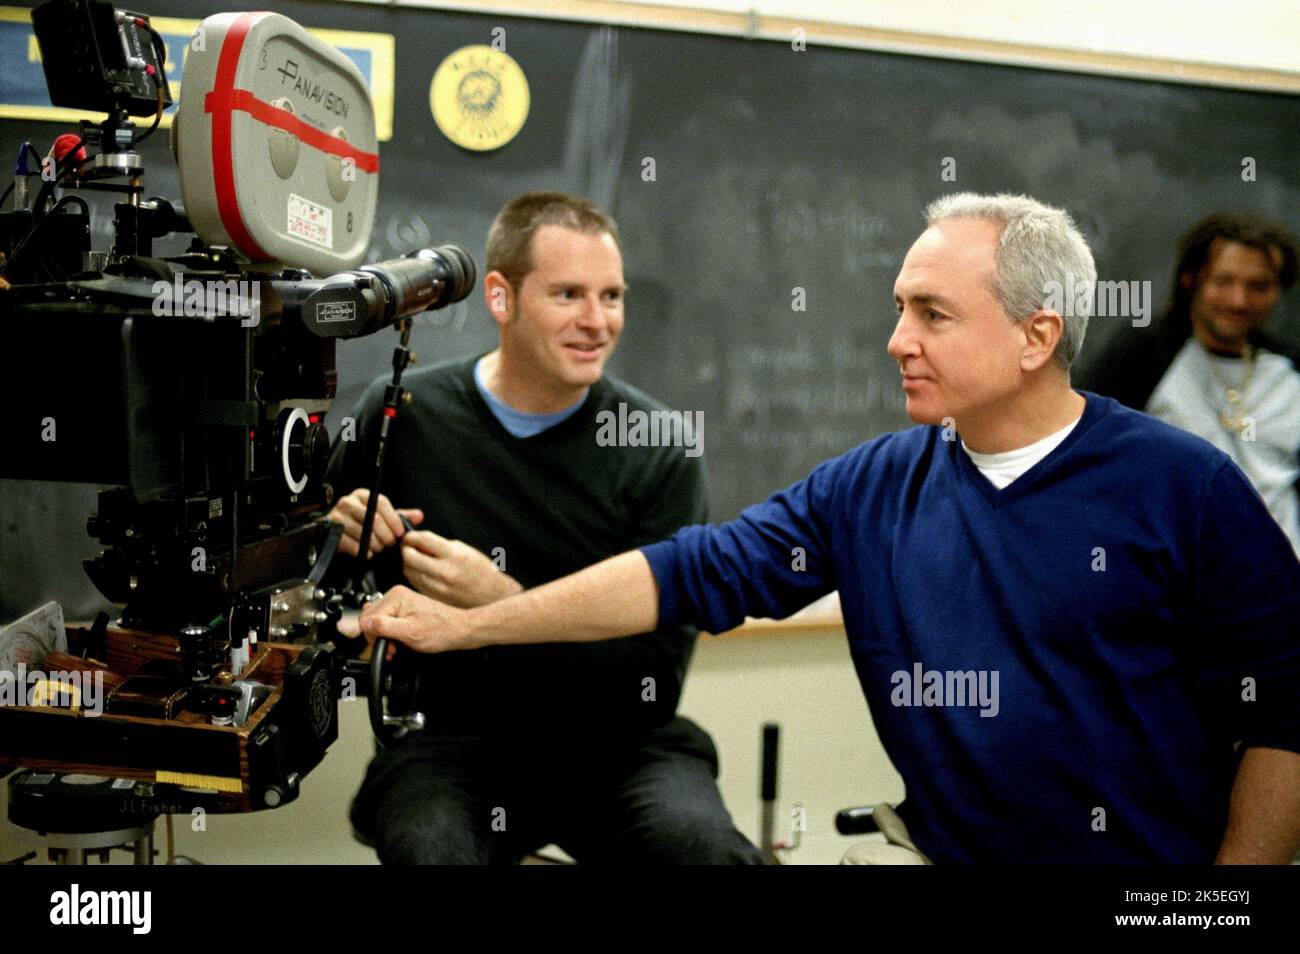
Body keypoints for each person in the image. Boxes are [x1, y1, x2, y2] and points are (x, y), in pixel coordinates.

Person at [358, 193, 1300, 865]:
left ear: (1035, 337)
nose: (897, 339)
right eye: (899, 308)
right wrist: (473, 624)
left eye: (932, 313)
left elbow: (1286, 711)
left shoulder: (1184, 487)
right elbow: (688, 571)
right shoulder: (875, 486)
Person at [326, 191, 761, 864]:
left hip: (619, 744)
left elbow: (651, 683)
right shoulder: (401, 415)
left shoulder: (656, 449)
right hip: (452, 740)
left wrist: (499, 601)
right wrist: (335, 532)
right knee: (431, 848)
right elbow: (316, 593)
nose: (597, 322)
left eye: (611, 296)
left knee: (705, 851)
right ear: (500, 298)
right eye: (567, 295)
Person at [1080, 212, 1300, 555]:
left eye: (1258, 286)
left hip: (1280, 587)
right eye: (1223, 281)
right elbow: (1079, 454)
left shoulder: (1290, 371)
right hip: (1172, 582)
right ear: (1191, 279)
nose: (1239, 300)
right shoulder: (1147, 353)